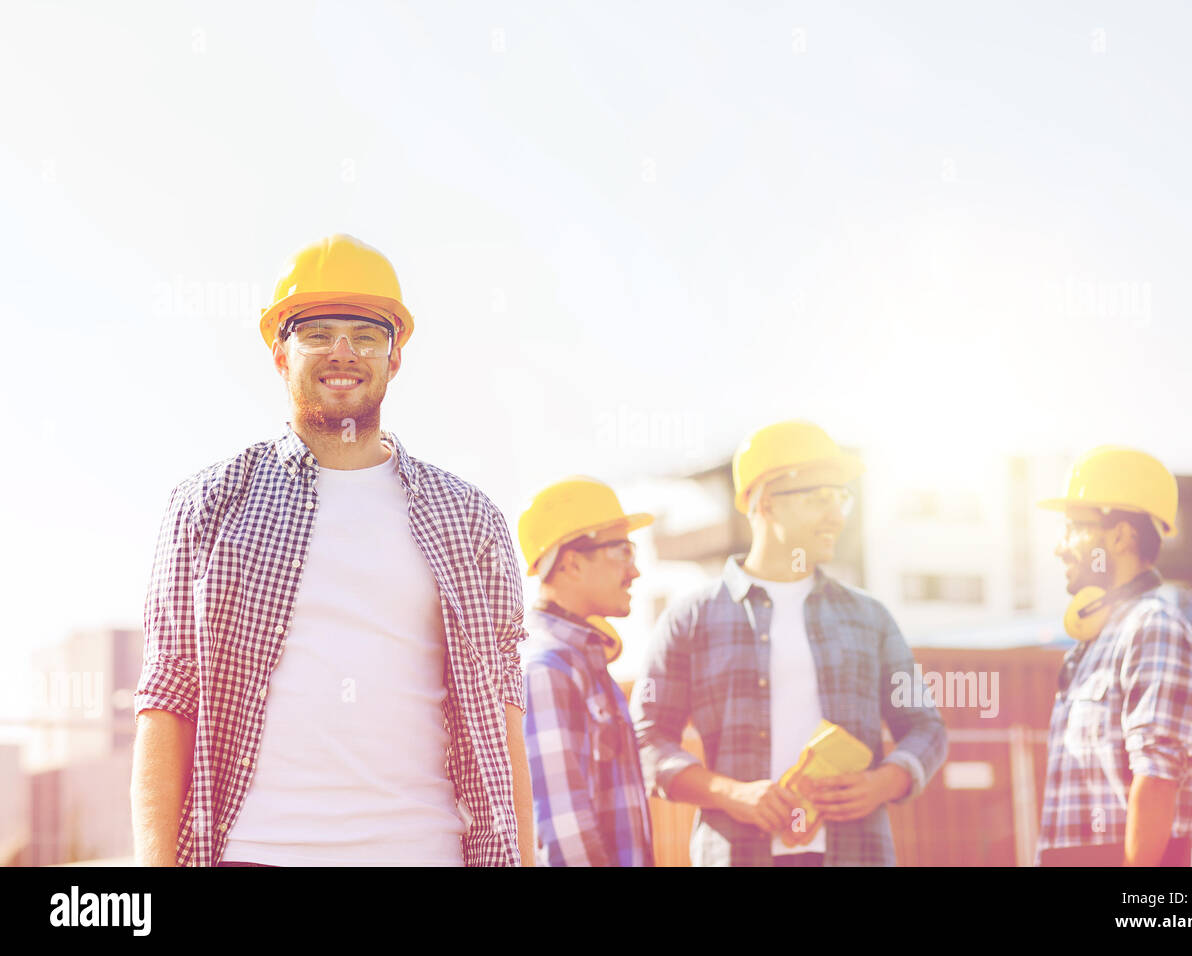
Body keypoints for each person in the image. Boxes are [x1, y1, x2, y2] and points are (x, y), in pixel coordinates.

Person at [130, 234, 532, 867]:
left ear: (394, 359)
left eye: (366, 334)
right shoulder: (208, 506)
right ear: (279, 354)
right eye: (317, 332)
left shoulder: (470, 519)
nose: (343, 352)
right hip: (257, 853)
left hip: (426, 853)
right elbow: (168, 697)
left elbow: (502, 714)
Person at [632, 420, 947, 866]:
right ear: (764, 502)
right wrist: (731, 793)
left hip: (854, 853)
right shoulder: (691, 619)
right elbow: (646, 739)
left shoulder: (870, 618)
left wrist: (885, 781)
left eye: (841, 497)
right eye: (819, 497)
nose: (836, 514)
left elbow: (925, 727)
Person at [1035, 446, 1192, 866]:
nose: (1059, 547)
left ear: (1120, 536)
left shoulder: (1153, 628)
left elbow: (1156, 777)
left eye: (1073, 528)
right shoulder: (1091, 645)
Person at [517, 477, 655, 866]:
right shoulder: (548, 669)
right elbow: (564, 833)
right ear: (572, 563)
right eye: (622, 551)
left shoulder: (584, 663)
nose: (636, 571)